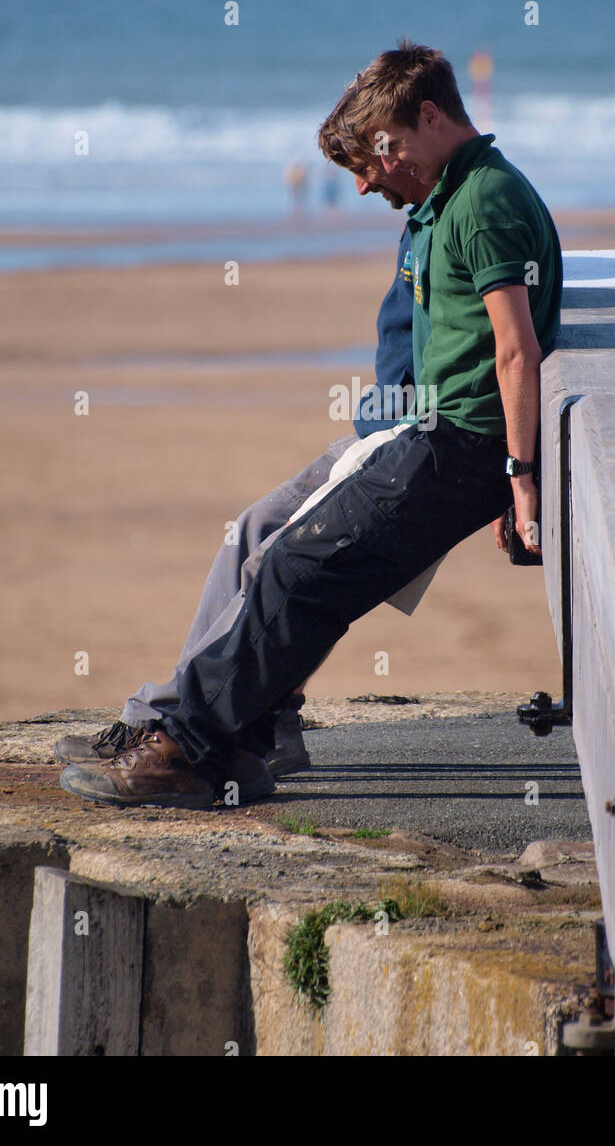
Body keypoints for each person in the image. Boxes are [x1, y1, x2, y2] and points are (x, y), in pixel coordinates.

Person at [58, 42, 562, 809]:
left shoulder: (484, 200)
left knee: (296, 570)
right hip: (434, 434)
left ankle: (189, 750)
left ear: (430, 117)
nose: (368, 180)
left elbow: (518, 352)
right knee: (274, 547)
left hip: (454, 444)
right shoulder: (456, 195)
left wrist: (519, 483)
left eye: (382, 151)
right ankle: (228, 741)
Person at [55, 90, 433, 792]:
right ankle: (218, 718)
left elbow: (502, 350)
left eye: (368, 162)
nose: (362, 183)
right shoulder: (428, 213)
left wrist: (515, 472)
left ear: (419, 127)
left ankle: (192, 725)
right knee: (253, 530)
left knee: (279, 559)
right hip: (381, 432)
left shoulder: (463, 211)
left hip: (404, 443)